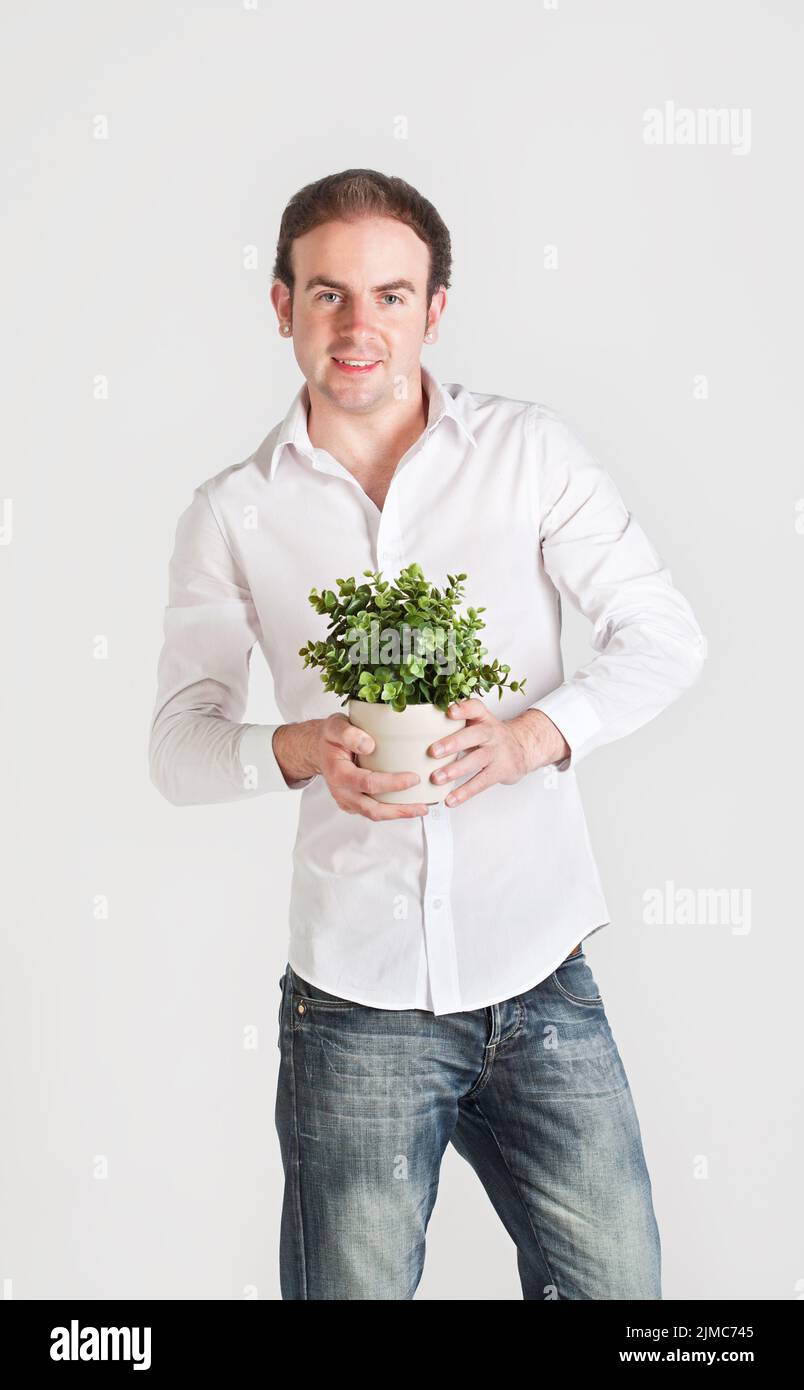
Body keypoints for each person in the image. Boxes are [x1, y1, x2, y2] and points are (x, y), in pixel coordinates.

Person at [149, 168, 707, 1300]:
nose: (361, 327)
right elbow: (177, 745)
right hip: (356, 1002)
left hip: (540, 970)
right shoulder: (231, 511)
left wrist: (532, 736)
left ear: (434, 309)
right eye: (329, 295)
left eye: (392, 296)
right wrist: (297, 750)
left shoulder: (530, 453)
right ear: (281, 305)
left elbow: (665, 635)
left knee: (625, 1300)